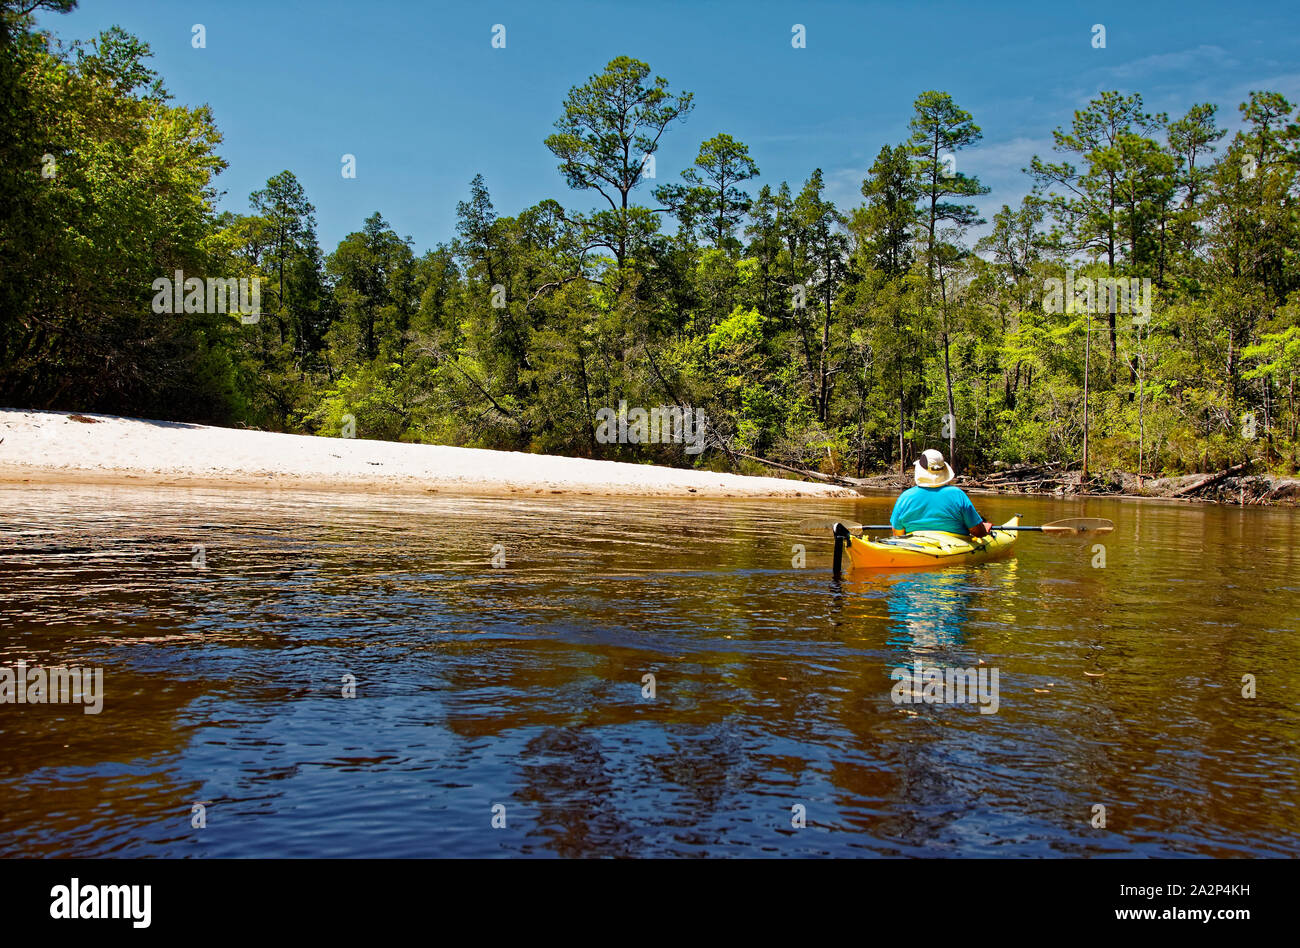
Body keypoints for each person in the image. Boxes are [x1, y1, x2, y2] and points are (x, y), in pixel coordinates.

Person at [889, 449, 995, 538]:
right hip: (953, 546)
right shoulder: (957, 494)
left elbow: (898, 534)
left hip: (915, 547)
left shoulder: (905, 497)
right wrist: (983, 528)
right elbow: (979, 533)